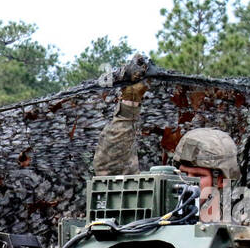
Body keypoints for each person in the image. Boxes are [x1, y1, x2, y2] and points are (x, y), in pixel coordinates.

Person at [92, 55, 240, 222]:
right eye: (182, 173)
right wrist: (128, 105)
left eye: (197, 176)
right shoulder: (158, 217)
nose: (187, 182)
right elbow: (114, 173)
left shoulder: (232, 236)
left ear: (221, 181)